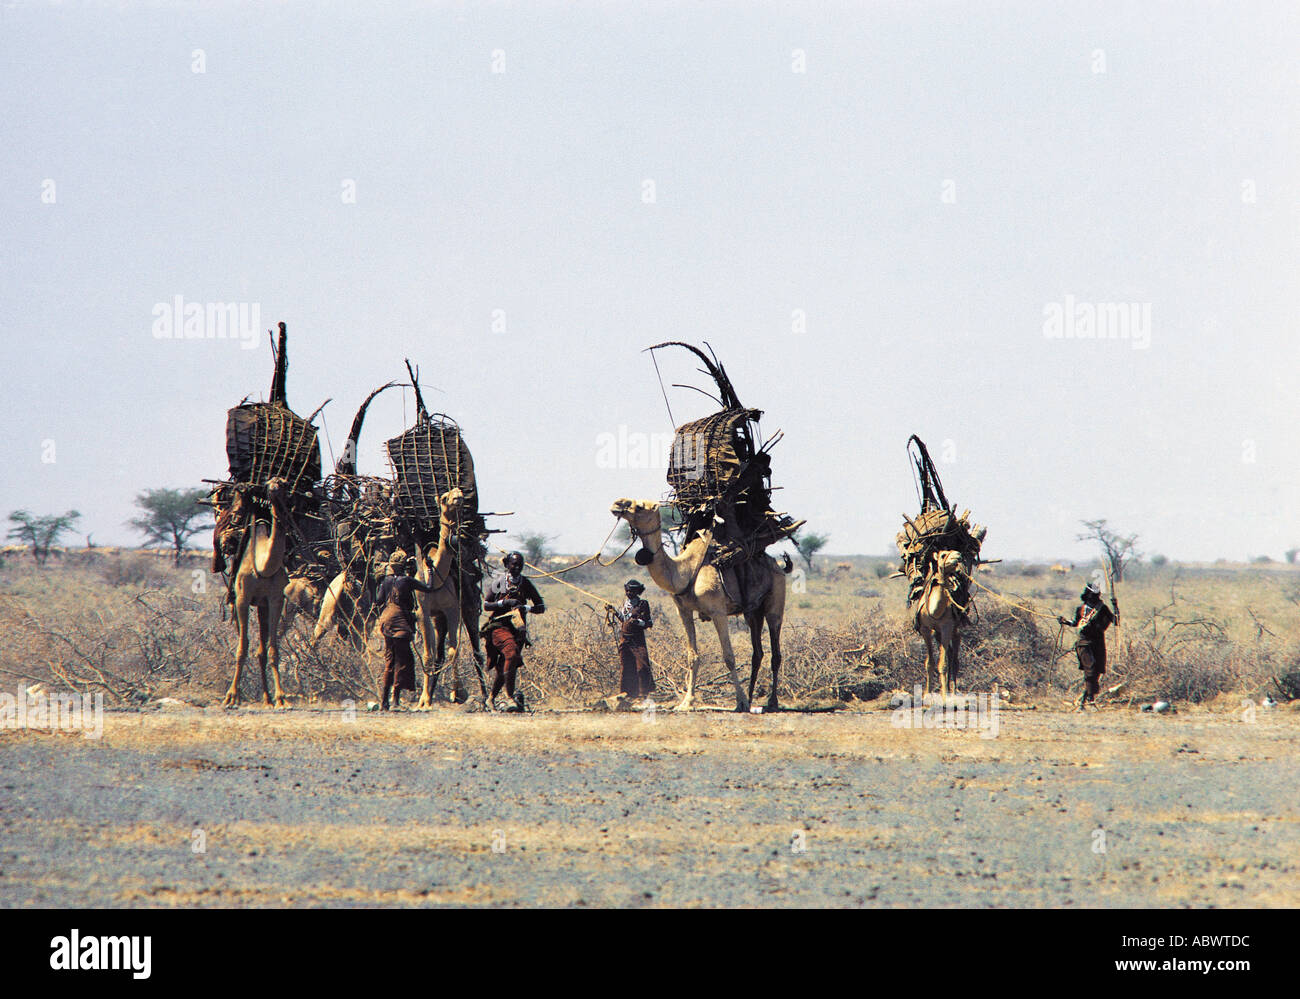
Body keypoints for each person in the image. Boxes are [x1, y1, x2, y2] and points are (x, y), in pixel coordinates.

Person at [481, 551, 545, 711]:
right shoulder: (500, 582)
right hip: (498, 627)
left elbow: (541, 607)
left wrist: (525, 607)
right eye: (513, 564)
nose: (517, 567)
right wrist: (504, 603)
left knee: (507, 665)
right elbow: (486, 605)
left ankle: (491, 699)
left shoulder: (526, 584)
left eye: (520, 565)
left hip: (517, 630)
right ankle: (510, 698)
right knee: (511, 654)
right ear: (507, 565)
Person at [374, 549, 434, 710]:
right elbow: (429, 587)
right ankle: (395, 701)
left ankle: (383, 703)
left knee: (389, 662)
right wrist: (430, 569)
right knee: (403, 662)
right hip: (400, 622)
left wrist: (378, 582)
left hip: (386, 621)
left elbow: (378, 600)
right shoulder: (407, 581)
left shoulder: (386, 581)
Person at [1059, 581, 1119, 710]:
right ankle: (1090, 701)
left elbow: (1116, 621)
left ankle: (1085, 700)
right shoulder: (1080, 609)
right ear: (1087, 594)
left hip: (1098, 642)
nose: (1094, 596)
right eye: (1092, 594)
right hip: (1083, 642)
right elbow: (1076, 623)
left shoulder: (1102, 608)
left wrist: (1115, 606)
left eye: (1096, 594)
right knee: (1090, 669)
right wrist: (1065, 622)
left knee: (1096, 671)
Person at [606, 579, 655, 702]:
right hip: (625, 639)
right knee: (626, 666)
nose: (628, 593)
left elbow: (649, 623)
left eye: (631, 591)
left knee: (642, 666)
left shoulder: (643, 604)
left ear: (637, 592)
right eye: (627, 590)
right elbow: (623, 619)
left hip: (637, 640)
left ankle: (644, 694)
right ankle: (627, 694)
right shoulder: (625, 604)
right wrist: (613, 611)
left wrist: (638, 622)